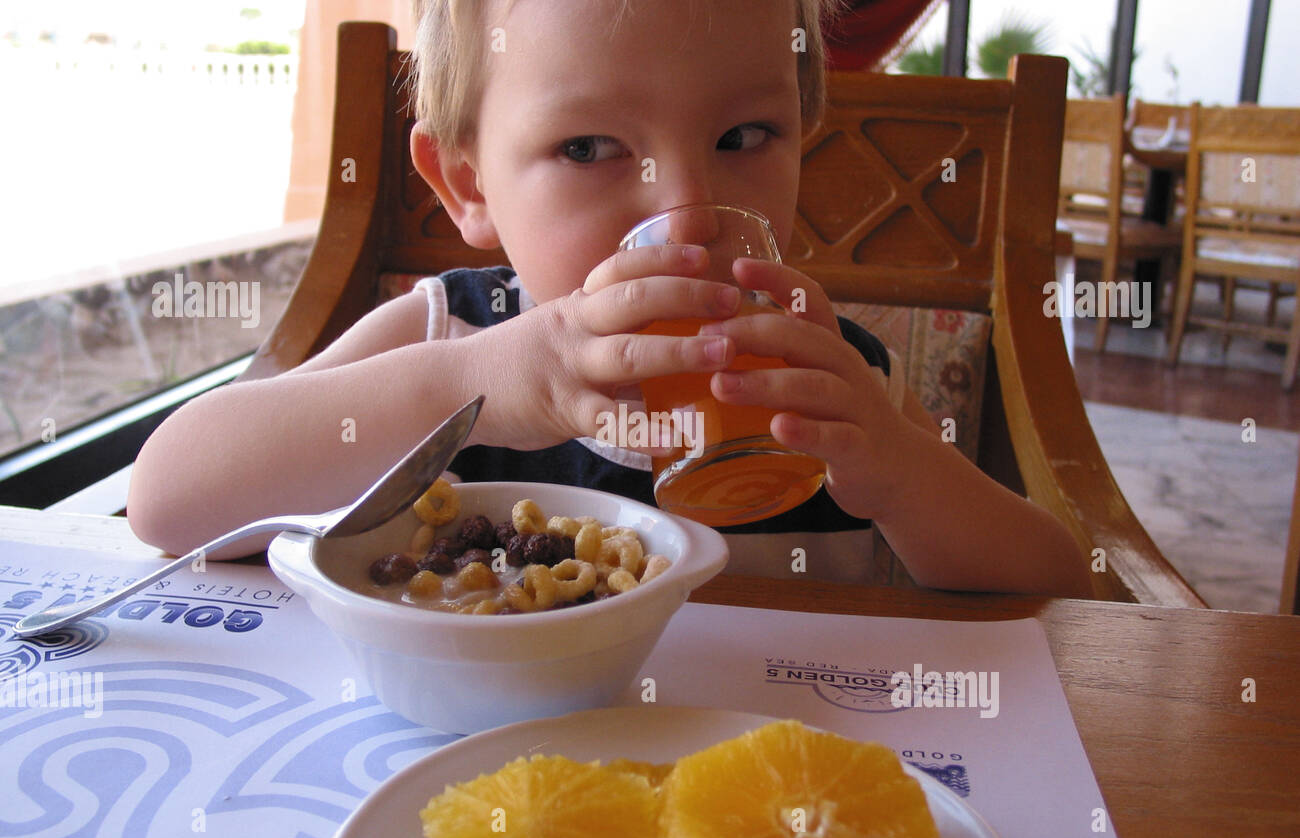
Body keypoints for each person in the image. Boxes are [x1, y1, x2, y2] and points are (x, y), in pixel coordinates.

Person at [127, 0, 1091, 597]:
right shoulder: (451, 336)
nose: (683, 219)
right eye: (588, 149)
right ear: (465, 184)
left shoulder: (836, 380)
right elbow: (168, 499)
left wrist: (905, 475)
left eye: (746, 135)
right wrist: (485, 381)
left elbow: (1059, 590)